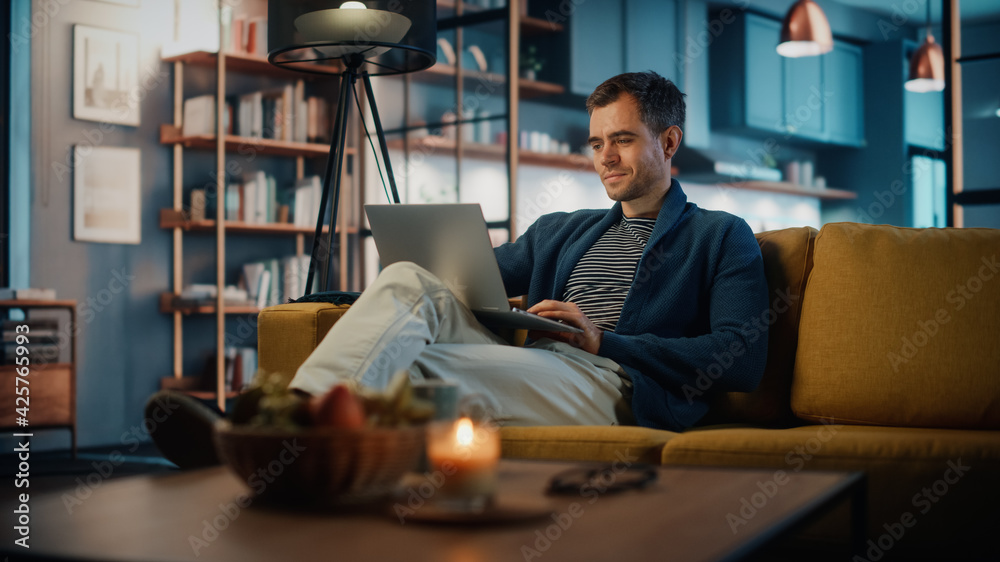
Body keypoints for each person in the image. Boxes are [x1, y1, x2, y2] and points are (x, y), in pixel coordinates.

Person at [149, 71, 769, 467]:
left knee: (408, 367)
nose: (605, 157)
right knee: (411, 279)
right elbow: (461, 283)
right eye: (596, 142)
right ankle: (277, 439)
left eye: (624, 139)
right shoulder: (563, 230)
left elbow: (741, 356)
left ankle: (259, 440)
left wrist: (604, 338)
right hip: (539, 364)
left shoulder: (719, 235)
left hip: (616, 383)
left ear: (668, 142)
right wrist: (350, 300)